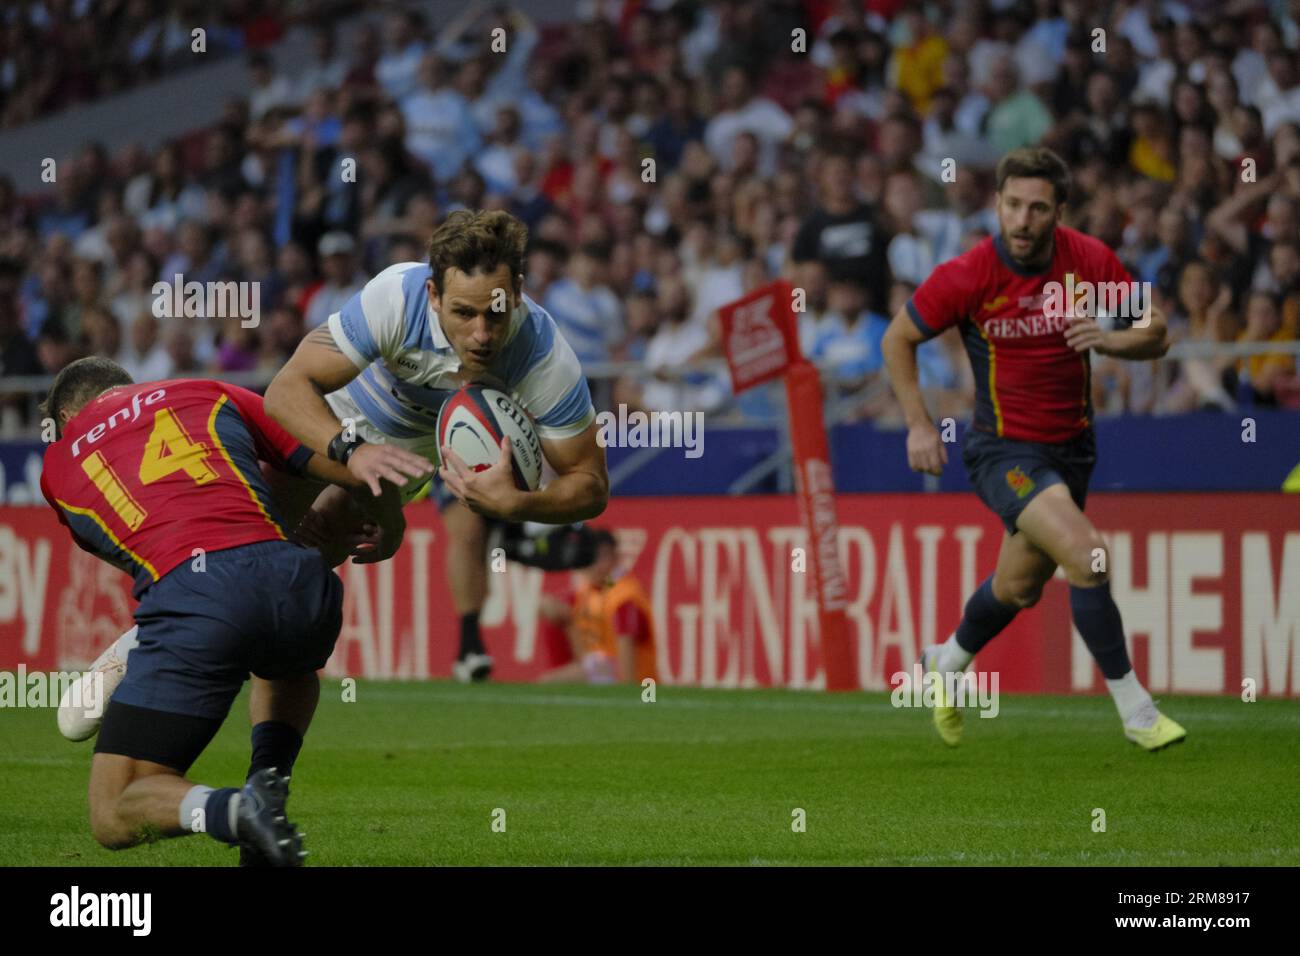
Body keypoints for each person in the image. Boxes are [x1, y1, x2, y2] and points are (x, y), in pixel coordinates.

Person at [881, 146, 1185, 752]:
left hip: (1072, 448)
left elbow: (1157, 333)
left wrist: (1111, 340)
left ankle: (944, 662)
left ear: (1059, 211)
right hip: (1003, 452)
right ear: (997, 203)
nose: (1022, 220)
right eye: (1013, 205)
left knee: (1020, 587)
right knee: (1089, 554)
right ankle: (1138, 711)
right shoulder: (967, 275)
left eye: (1038, 208)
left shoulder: (1089, 259)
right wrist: (918, 425)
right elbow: (899, 338)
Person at [39, 357, 380, 864]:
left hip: (198, 596)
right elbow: (316, 455)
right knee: (284, 660)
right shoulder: (207, 389)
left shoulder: (59, 466)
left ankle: (233, 811)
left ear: (66, 416)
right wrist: (383, 512)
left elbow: (134, 551)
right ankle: (269, 779)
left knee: (113, 812)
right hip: (299, 582)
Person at [539, 530, 657, 685]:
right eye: (589, 558)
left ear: (616, 558)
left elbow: (627, 659)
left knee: (549, 683)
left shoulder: (625, 598)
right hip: (600, 667)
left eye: (601, 558)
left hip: (630, 677)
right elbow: (549, 607)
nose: (595, 566)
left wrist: (629, 692)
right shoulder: (592, 590)